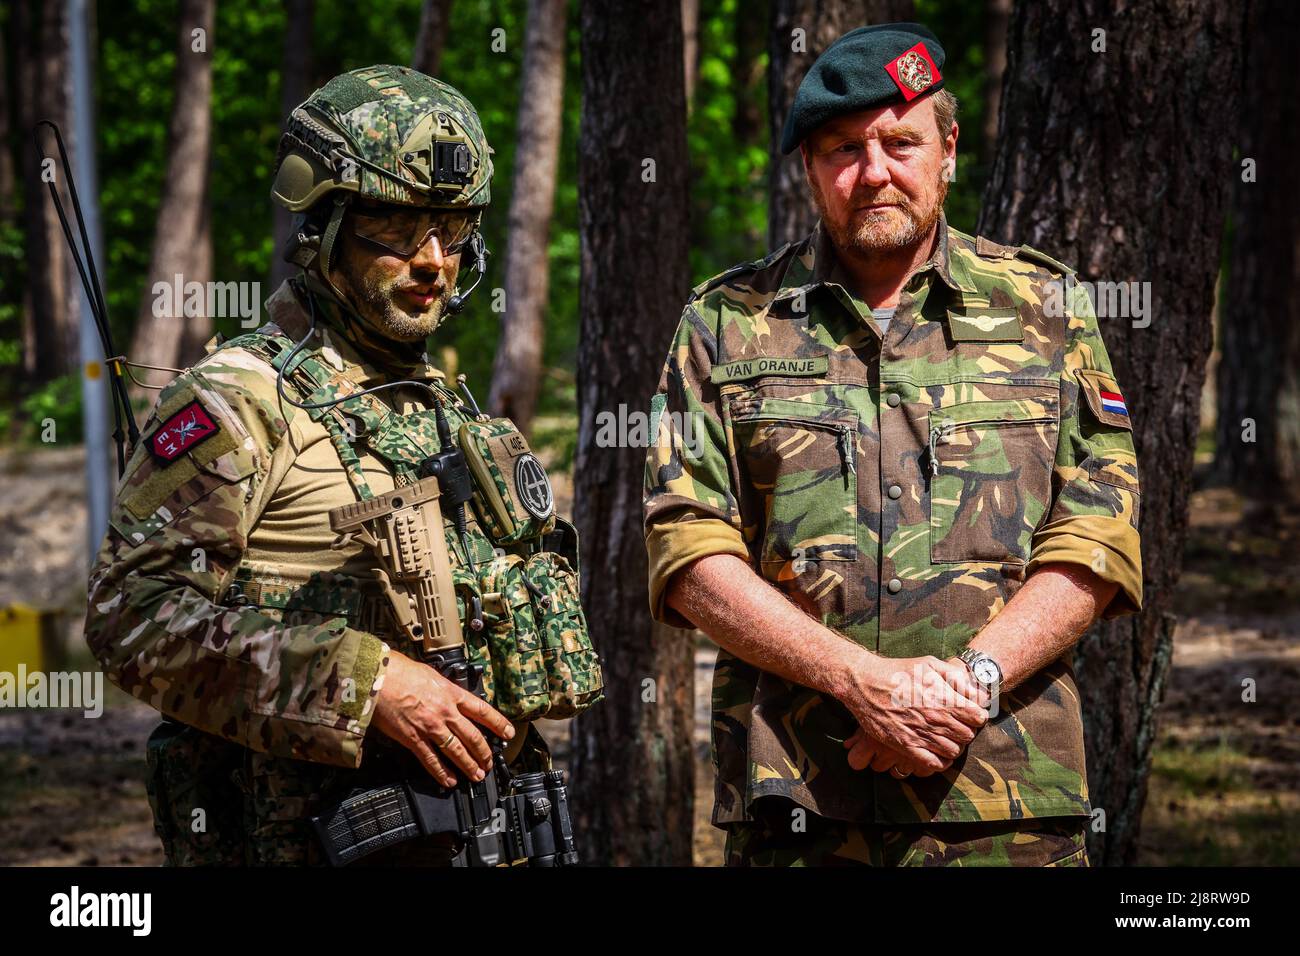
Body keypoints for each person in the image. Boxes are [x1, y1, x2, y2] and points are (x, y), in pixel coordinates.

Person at [643, 23, 1142, 866]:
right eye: (841, 149)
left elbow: (1100, 532)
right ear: (808, 168)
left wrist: (970, 687)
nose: (872, 172)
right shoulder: (726, 324)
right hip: (800, 803)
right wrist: (861, 683)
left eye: (899, 142)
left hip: (1007, 800)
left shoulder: (1044, 309)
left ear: (948, 149)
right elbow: (687, 548)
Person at [85, 64, 599, 865]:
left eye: (454, 228)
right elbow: (131, 615)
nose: (433, 259)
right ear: (322, 225)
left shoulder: (436, 400)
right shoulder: (242, 398)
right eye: (397, 228)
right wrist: (366, 684)